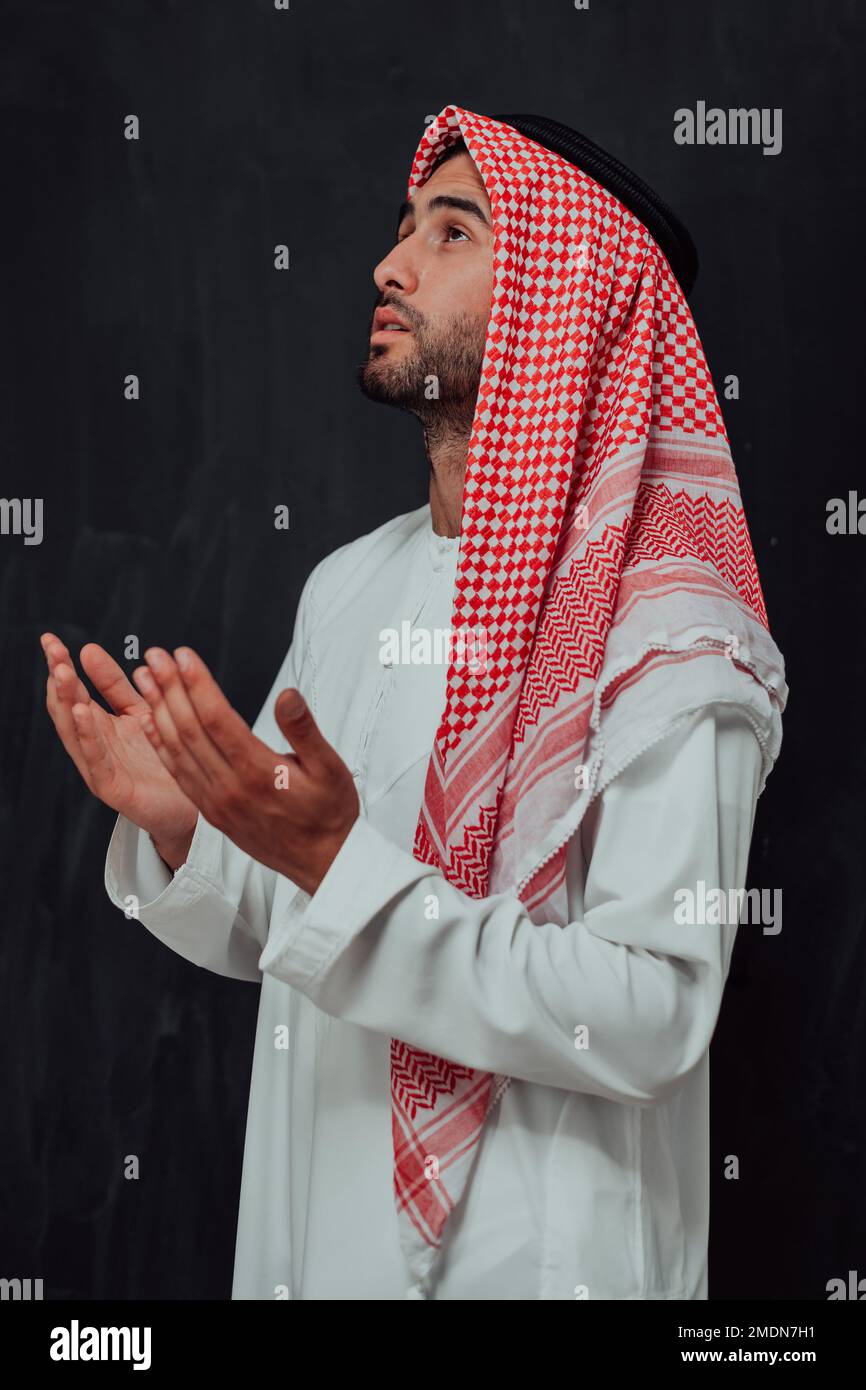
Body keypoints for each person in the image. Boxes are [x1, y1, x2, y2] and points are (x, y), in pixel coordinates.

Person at [41, 105, 788, 1301]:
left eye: (452, 231)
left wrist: (338, 866)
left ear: (564, 300)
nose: (389, 265)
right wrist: (189, 824)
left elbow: (651, 1010)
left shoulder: (669, 633)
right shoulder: (345, 588)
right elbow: (294, 923)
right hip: (312, 1248)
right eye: (402, 228)